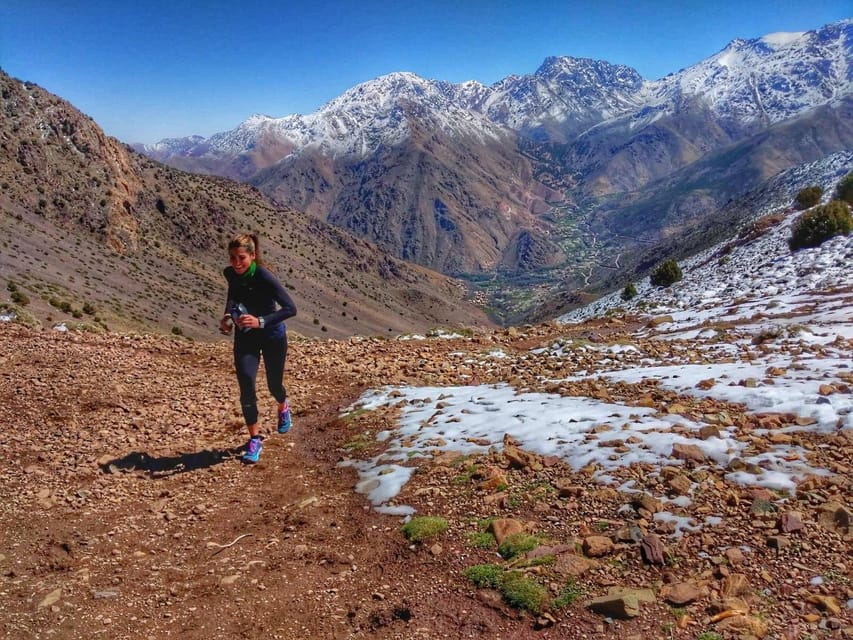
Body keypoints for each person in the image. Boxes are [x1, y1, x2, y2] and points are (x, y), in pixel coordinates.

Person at [219, 233, 297, 464]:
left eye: (241, 257)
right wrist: (227, 316)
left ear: (252, 256)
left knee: (274, 385)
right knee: (246, 384)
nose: (236, 263)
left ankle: (283, 405)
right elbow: (233, 296)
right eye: (232, 257)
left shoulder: (264, 276)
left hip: (272, 335)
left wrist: (260, 321)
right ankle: (255, 438)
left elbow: (290, 309)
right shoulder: (230, 274)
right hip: (245, 337)